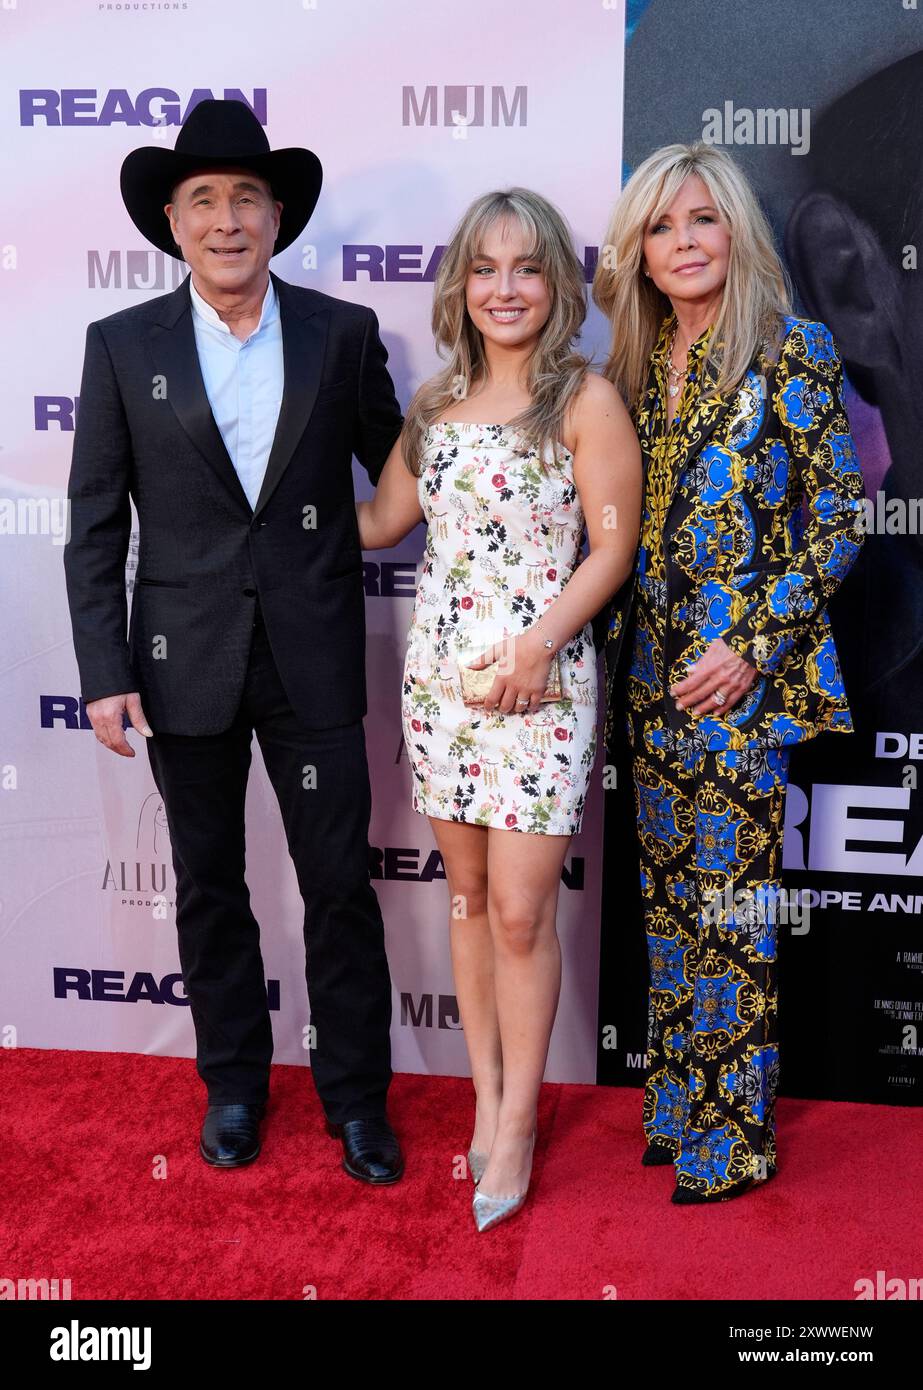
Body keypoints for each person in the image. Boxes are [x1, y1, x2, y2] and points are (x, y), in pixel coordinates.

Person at [63, 98, 405, 1184]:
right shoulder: (120, 346)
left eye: (245, 198)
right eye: (203, 199)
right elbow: (94, 523)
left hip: (311, 654)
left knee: (339, 885)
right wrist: (104, 672)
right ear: (171, 219)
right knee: (208, 883)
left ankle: (356, 1100)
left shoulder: (343, 334)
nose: (225, 219)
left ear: (276, 216)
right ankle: (236, 1087)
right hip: (181, 659)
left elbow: (403, 475)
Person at [357, 188, 641, 1230]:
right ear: (458, 286)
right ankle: (483, 1094)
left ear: (556, 284)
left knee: (522, 910)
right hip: (439, 689)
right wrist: (247, 482)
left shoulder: (584, 399)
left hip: (541, 686)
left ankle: (517, 1120)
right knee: (467, 901)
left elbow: (610, 545)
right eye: (485, 267)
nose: (504, 287)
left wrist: (535, 645)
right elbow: (382, 521)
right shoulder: (432, 406)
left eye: (526, 267)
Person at [593, 141, 866, 1202]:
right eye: (660, 227)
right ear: (639, 254)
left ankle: (730, 1135)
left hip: (737, 685)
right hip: (647, 682)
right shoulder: (632, 368)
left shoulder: (789, 351)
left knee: (733, 911)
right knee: (668, 907)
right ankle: (674, 1106)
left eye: (700, 219)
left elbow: (841, 516)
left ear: (734, 231)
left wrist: (751, 639)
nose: (683, 242)